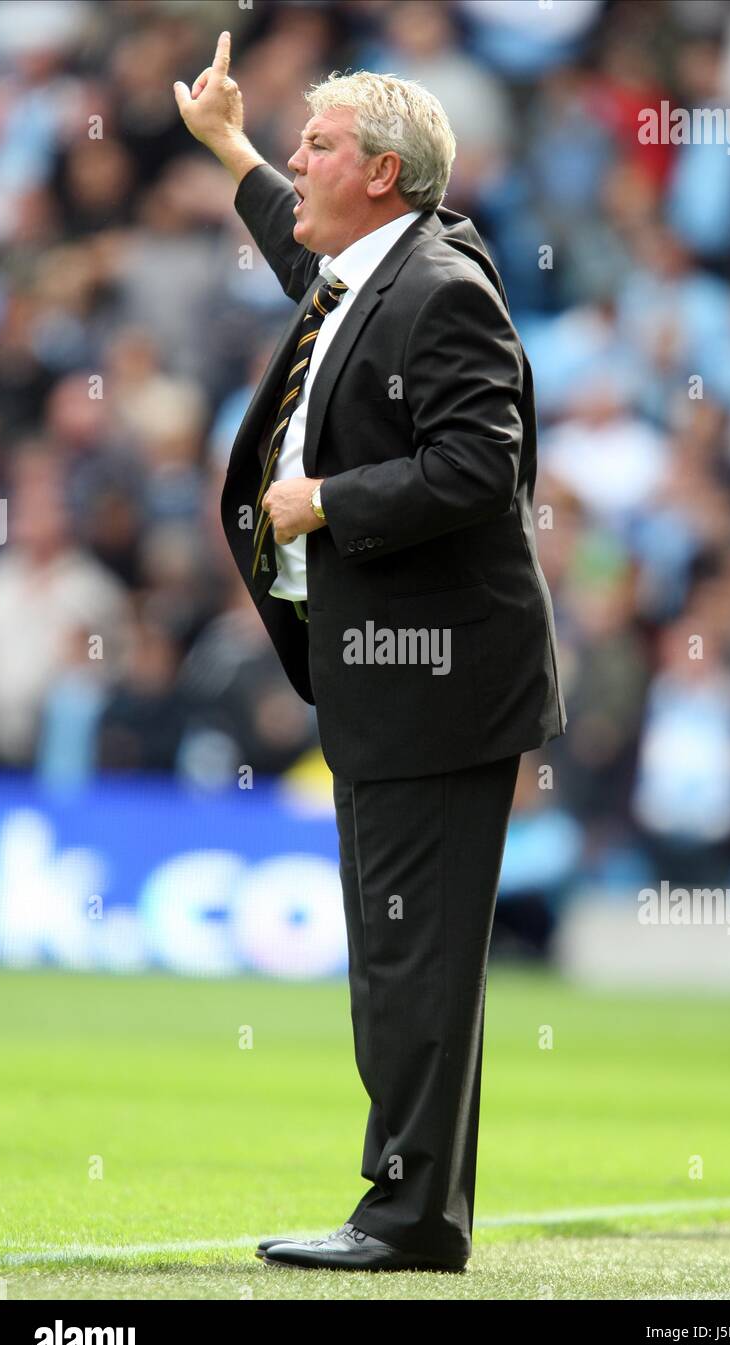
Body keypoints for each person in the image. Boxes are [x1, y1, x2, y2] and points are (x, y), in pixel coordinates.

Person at [174, 32, 565, 1273]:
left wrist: (325, 502)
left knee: (412, 958)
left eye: (319, 145)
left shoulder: (437, 286)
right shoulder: (366, 265)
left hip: (435, 680)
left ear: (385, 173)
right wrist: (227, 143)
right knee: (405, 953)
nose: (299, 161)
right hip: (390, 675)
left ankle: (405, 1219)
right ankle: (410, 1208)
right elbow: (296, 224)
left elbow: (477, 467)